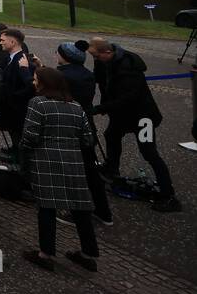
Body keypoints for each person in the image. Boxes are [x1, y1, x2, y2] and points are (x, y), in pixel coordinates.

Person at [20, 67, 100, 272]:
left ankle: (45, 253)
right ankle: (88, 252)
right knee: (80, 207)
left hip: (45, 159)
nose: (34, 82)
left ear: (45, 83)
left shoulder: (38, 103)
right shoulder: (76, 106)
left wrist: (25, 154)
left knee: (46, 207)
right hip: (73, 160)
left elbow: (30, 135)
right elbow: (88, 139)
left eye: (36, 79)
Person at [88, 36, 180, 212]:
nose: (96, 60)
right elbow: (102, 82)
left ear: (107, 52)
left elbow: (128, 98)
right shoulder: (105, 62)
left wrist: (100, 108)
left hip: (142, 115)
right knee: (111, 135)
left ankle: (169, 195)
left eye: (97, 57)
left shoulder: (129, 68)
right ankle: (112, 168)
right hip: (122, 113)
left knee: (149, 152)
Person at [55, 41, 111, 224]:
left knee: (73, 172)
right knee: (90, 170)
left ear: (66, 57)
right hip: (86, 125)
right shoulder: (86, 74)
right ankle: (103, 212)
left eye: (59, 52)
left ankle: (78, 214)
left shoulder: (63, 75)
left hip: (69, 128)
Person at [0, 28, 35, 158]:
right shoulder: (13, 58)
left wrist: (13, 97)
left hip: (17, 106)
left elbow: (29, 87)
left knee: (17, 131)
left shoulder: (21, 61)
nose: (0, 42)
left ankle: (18, 157)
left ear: (12, 42)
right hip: (13, 105)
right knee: (13, 131)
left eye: (2, 40)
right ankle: (15, 149)